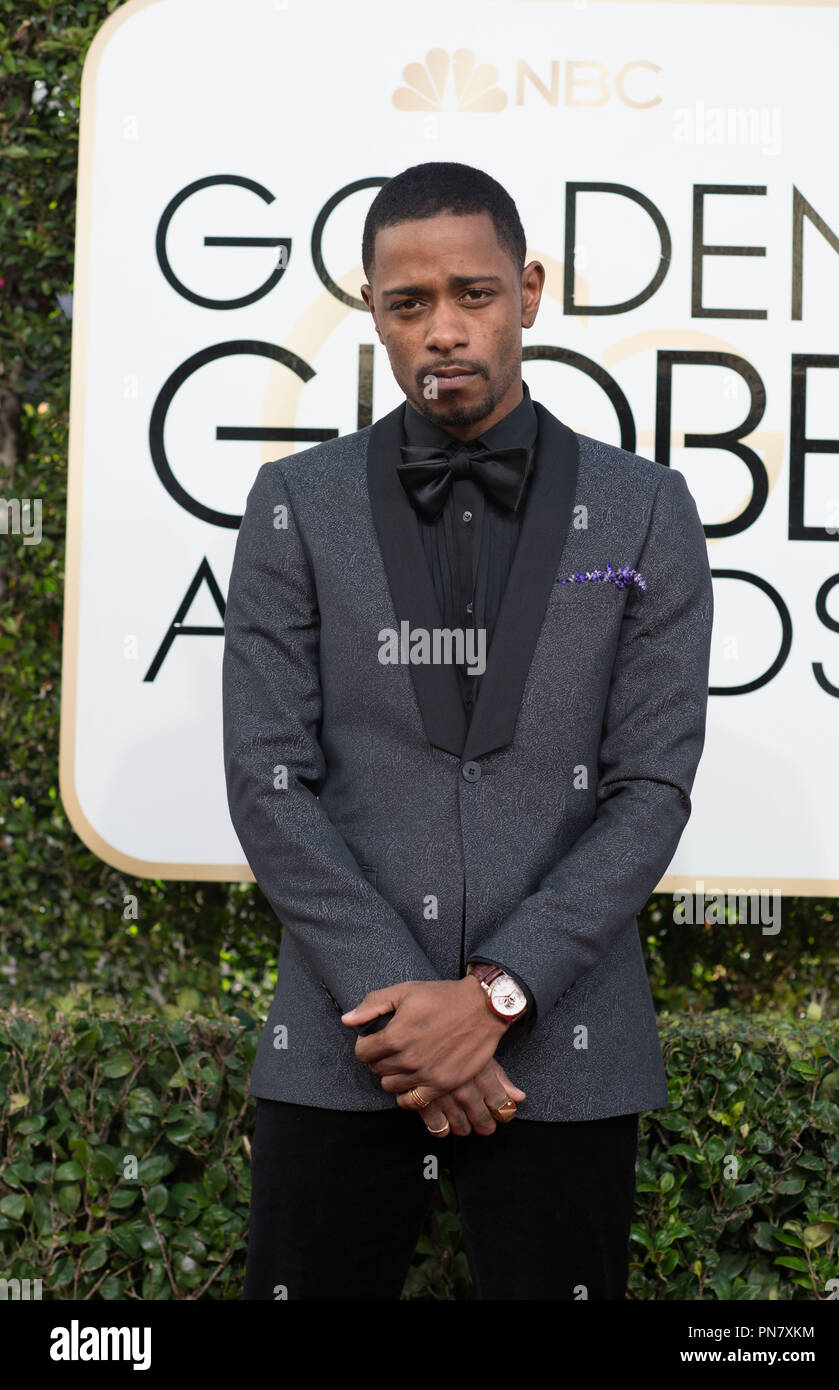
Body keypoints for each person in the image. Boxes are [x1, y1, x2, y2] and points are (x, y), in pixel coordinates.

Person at [222, 161, 714, 1300]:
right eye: (409, 303)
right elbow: (268, 780)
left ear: (529, 290)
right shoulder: (295, 503)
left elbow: (650, 786)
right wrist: (412, 1010)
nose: (444, 329)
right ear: (372, 308)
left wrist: (493, 997)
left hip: (562, 1046)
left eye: (474, 293)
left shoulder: (645, 508)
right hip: (349, 1040)